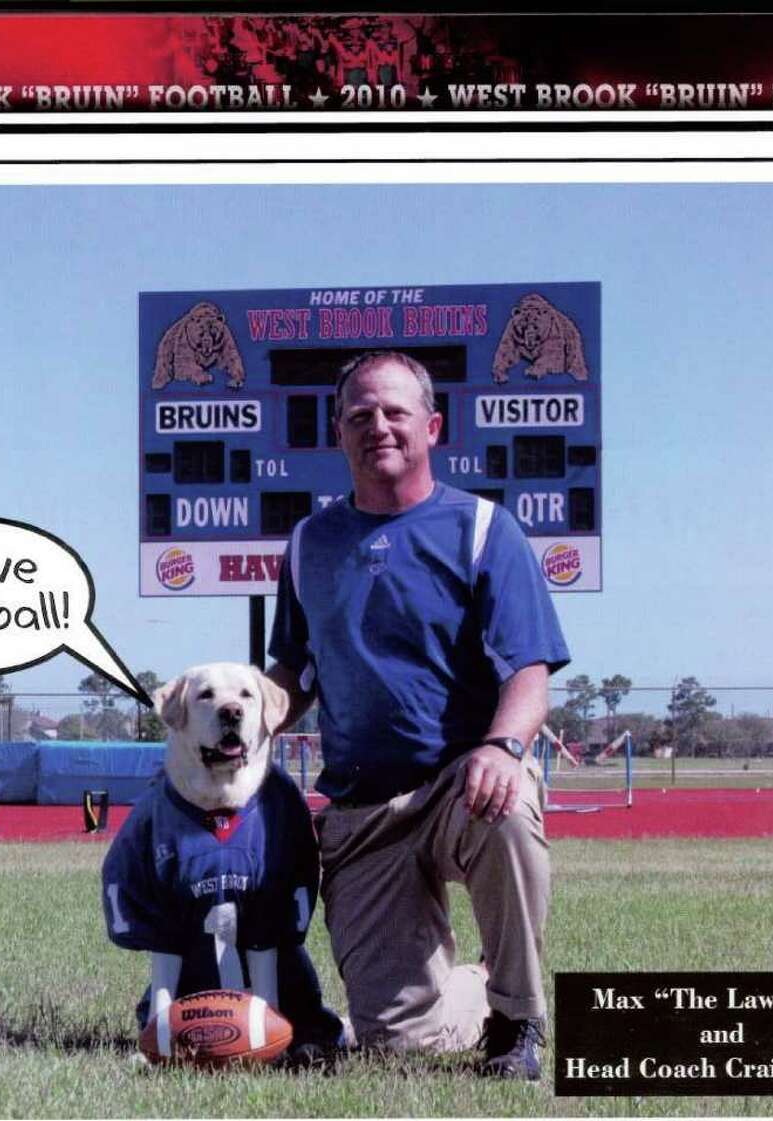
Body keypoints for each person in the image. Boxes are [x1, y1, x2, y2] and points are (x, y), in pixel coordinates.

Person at [267, 351, 569, 1078]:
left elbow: (528, 669)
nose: (379, 426)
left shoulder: (484, 528)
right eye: (360, 414)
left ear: (432, 425)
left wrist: (503, 746)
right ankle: (466, 989)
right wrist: (225, 722)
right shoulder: (311, 543)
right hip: (363, 809)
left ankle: (517, 1017)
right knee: (399, 1043)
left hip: (459, 784)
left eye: (396, 412)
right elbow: (291, 676)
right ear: (338, 432)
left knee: (510, 801)